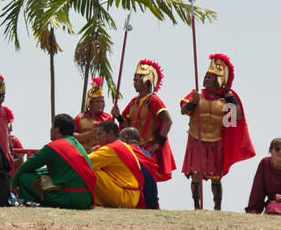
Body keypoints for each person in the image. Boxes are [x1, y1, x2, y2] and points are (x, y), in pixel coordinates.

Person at [180, 53, 254, 211]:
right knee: (195, 174)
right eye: (206, 76)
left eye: (210, 76)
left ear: (219, 79)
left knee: (216, 178)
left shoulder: (225, 99)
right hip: (196, 139)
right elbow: (183, 111)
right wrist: (194, 102)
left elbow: (235, 119)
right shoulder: (196, 94)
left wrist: (231, 99)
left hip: (215, 141)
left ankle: (217, 207)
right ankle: (196, 206)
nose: (206, 79)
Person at [12, 114, 95, 210]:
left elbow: (27, 165)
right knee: (42, 173)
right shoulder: (77, 144)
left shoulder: (54, 146)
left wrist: (13, 183)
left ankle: (30, 202)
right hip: (87, 199)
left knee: (23, 177)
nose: (50, 130)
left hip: (71, 199)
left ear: (57, 129)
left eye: (52, 127)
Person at [114, 60, 175, 182]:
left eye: (136, 80)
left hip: (148, 146)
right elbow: (127, 126)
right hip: (133, 146)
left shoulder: (153, 101)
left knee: (146, 180)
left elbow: (167, 121)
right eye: (133, 80)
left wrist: (159, 142)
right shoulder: (133, 102)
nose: (134, 83)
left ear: (146, 81)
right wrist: (118, 116)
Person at [88, 121, 147, 208]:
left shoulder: (110, 149)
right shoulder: (124, 146)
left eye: (100, 134)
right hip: (132, 197)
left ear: (110, 133)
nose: (97, 138)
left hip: (124, 196)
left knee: (87, 168)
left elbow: (84, 162)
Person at [119, 127, 160, 209]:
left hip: (139, 200)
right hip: (152, 201)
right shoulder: (146, 154)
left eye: (120, 139)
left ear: (125, 138)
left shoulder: (126, 151)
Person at [245, 138, 281, 215]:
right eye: (277, 149)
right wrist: (253, 210)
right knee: (272, 209)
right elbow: (257, 189)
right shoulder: (265, 163)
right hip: (273, 205)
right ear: (271, 150)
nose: (280, 151)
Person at [74, 77, 108, 152]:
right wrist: (89, 135)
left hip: (101, 153)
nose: (100, 104)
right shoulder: (79, 118)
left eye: (102, 101)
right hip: (83, 153)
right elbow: (72, 137)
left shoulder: (107, 118)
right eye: (97, 102)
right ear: (90, 103)